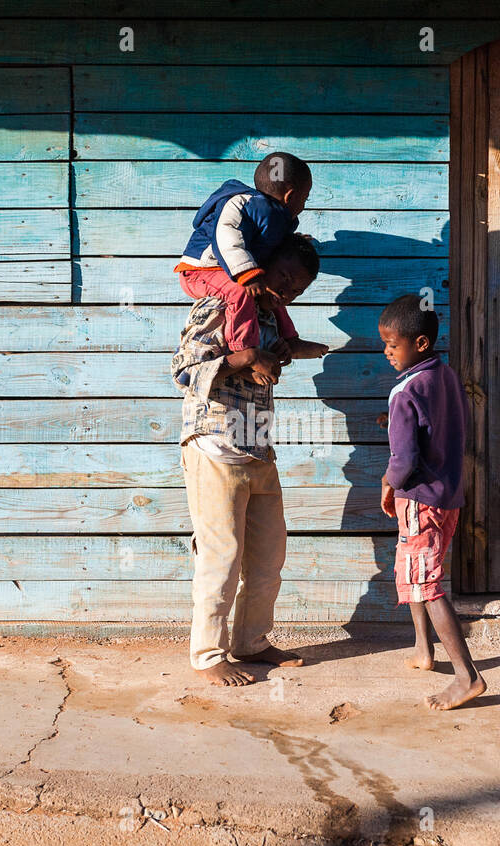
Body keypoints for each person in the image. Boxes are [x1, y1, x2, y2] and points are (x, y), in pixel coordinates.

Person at [171, 233, 329, 686]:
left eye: (298, 289)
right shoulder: (221, 303)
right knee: (222, 557)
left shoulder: (269, 316)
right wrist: (246, 356)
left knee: (267, 557)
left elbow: (269, 360)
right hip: (214, 445)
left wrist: (288, 350)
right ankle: (208, 656)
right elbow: (184, 369)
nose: (288, 291)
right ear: (258, 264)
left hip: (258, 448)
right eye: (284, 278)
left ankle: (252, 643)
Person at [377, 293, 482, 710]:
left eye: (392, 344)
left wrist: (389, 481)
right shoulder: (445, 375)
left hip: (419, 499)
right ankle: (424, 649)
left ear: (419, 344)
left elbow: (403, 460)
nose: (386, 352)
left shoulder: (404, 392)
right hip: (447, 495)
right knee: (414, 570)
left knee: (428, 583)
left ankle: (467, 676)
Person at [175, 152, 312, 354]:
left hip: (226, 271)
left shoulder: (275, 218)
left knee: (275, 293)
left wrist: (294, 241)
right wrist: (246, 273)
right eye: (305, 199)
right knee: (240, 292)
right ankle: (244, 348)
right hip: (201, 270)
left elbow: (265, 243)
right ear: (290, 196)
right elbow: (226, 234)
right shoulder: (243, 203)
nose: (304, 206)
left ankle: (290, 338)